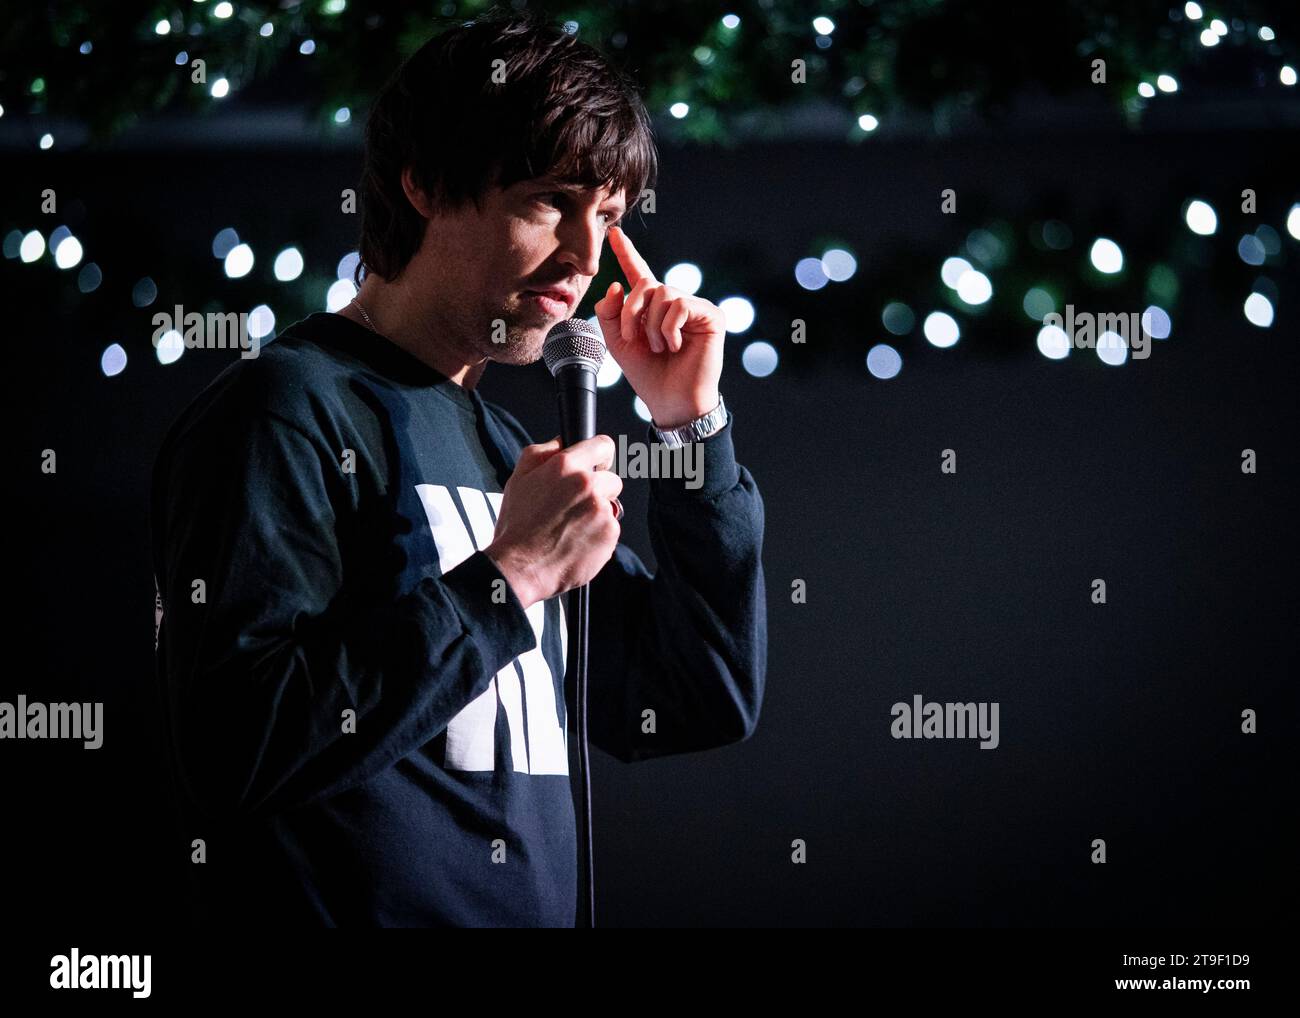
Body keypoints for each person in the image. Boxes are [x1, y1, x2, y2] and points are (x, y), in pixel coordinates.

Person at [150, 9, 767, 928]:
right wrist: (509, 577)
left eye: (606, 216)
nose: (584, 257)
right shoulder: (282, 409)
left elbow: (698, 696)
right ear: (427, 185)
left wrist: (689, 427)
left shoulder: (501, 449)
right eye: (549, 200)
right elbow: (235, 747)